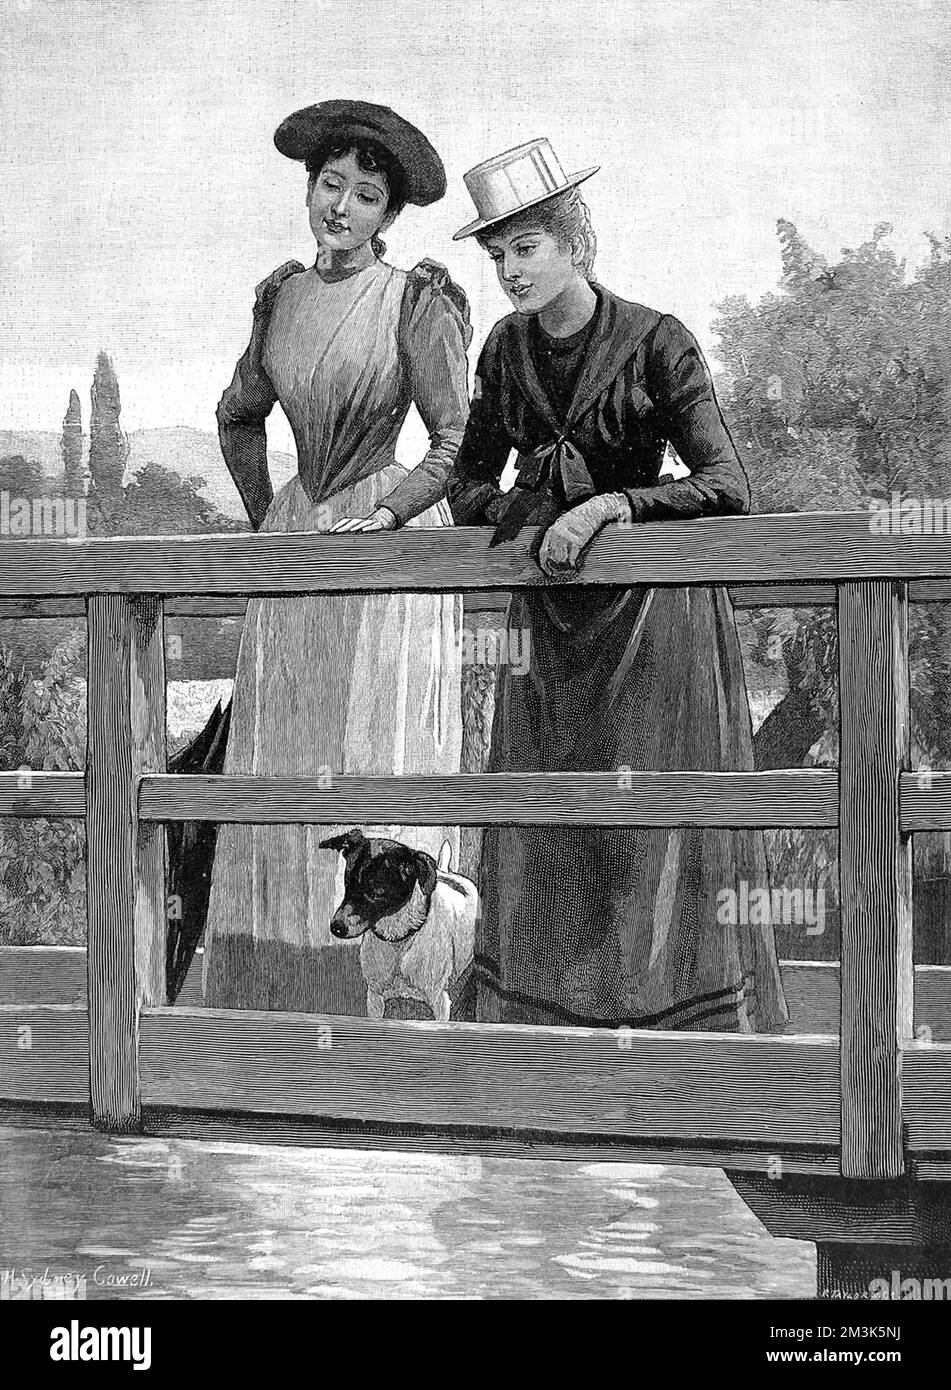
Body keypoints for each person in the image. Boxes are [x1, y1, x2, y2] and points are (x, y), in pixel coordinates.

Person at [447, 138, 788, 1032]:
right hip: (550, 629)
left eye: (525, 248)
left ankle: (673, 1038)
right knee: (548, 825)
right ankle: (546, 1038)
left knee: (649, 827)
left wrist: (608, 508)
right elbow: (465, 485)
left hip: (653, 624)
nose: (509, 272)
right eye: (496, 255)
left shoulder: (655, 339)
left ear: (575, 244)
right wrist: (522, 506)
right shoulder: (504, 348)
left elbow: (726, 485)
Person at [202, 101, 471, 1013]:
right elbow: (237, 415)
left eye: (365, 195)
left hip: (384, 544)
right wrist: (263, 518)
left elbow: (454, 441)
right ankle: (273, 991)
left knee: (370, 743)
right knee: (286, 750)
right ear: (309, 189)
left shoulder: (416, 299)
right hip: (296, 535)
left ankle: (400, 991)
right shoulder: (279, 295)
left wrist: (389, 515)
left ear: (390, 215)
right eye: (329, 186)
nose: (341, 208)